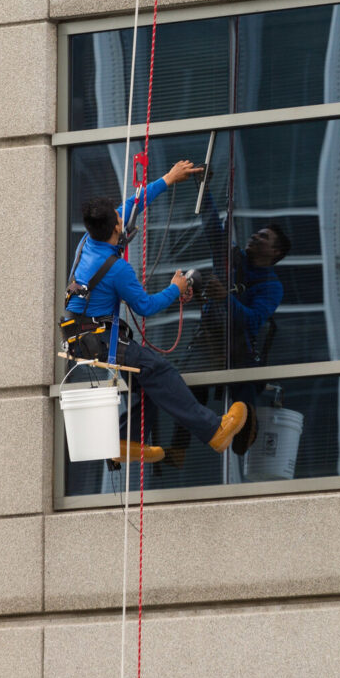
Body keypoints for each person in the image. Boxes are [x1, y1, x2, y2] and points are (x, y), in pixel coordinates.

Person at [62, 158, 248, 463]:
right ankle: (215, 431)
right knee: (161, 371)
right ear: (116, 224)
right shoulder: (115, 269)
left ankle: (121, 441)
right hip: (102, 340)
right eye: (119, 217)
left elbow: (137, 202)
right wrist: (176, 287)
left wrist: (169, 178)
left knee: (149, 384)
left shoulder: (88, 241)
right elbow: (145, 307)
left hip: (82, 336)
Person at [192, 187, 291, 451]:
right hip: (211, 338)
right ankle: (179, 447)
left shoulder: (271, 287)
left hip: (237, 349)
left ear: (275, 253)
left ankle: (245, 426)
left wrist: (226, 298)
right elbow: (213, 228)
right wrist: (203, 189)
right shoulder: (233, 259)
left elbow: (252, 320)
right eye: (257, 233)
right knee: (187, 387)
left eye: (264, 237)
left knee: (242, 382)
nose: (255, 237)